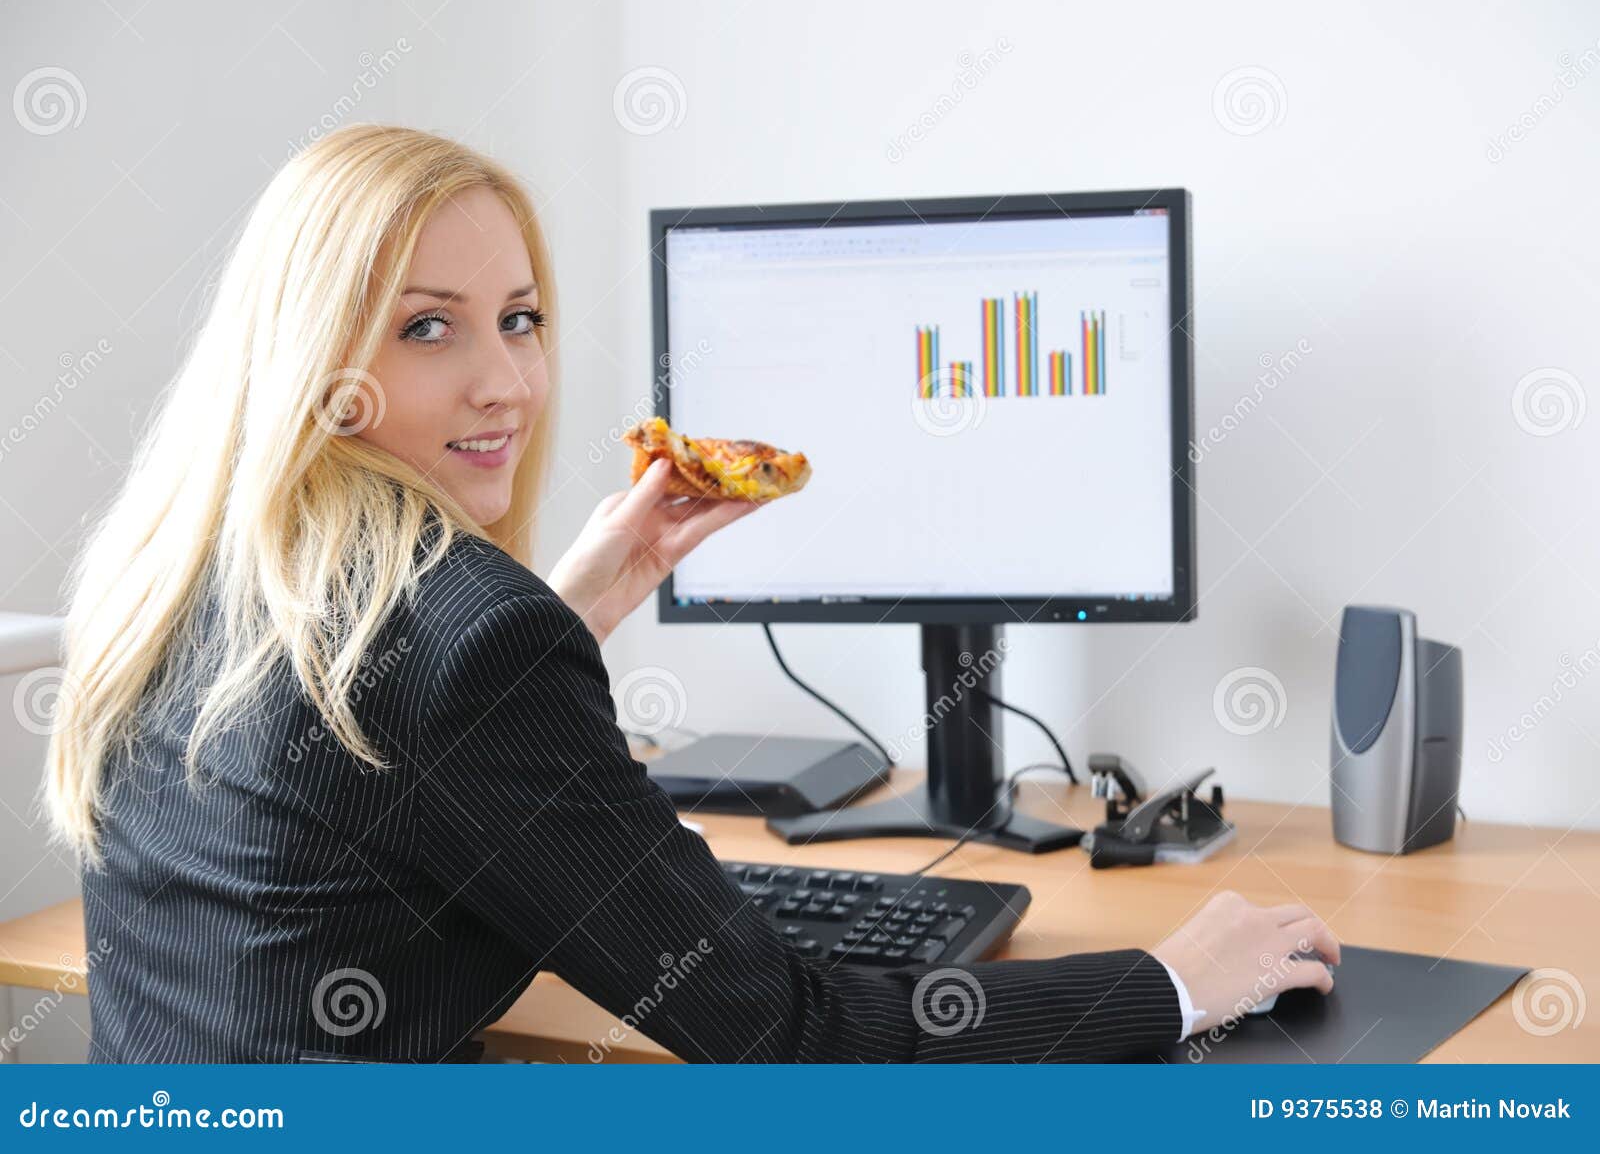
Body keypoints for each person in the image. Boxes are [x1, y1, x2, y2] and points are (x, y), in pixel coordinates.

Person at [43, 123, 1338, 1063]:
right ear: (311, 350)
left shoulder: (186, 569)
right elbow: (789, 1034)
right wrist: (1171, 983)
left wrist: (571, 606)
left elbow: (370, 763)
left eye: (523, 318)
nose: (505, 381)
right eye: (427, 325)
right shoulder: (462, 647)